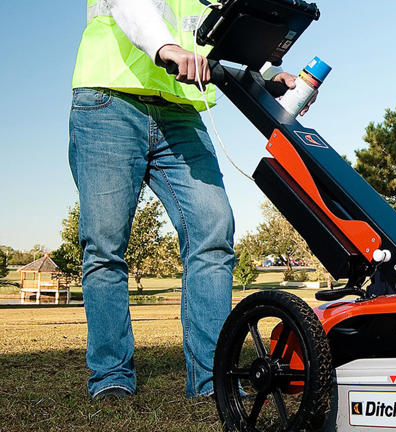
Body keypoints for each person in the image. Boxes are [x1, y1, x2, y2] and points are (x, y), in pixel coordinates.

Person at [70, 0, 307, 401]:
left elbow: (217, 38)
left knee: (213, 231)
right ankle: (110, 374)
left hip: (181, 114)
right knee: (104, 245)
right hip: (109, 101)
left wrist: (266, 75)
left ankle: (213, 377)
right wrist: (167, 48)